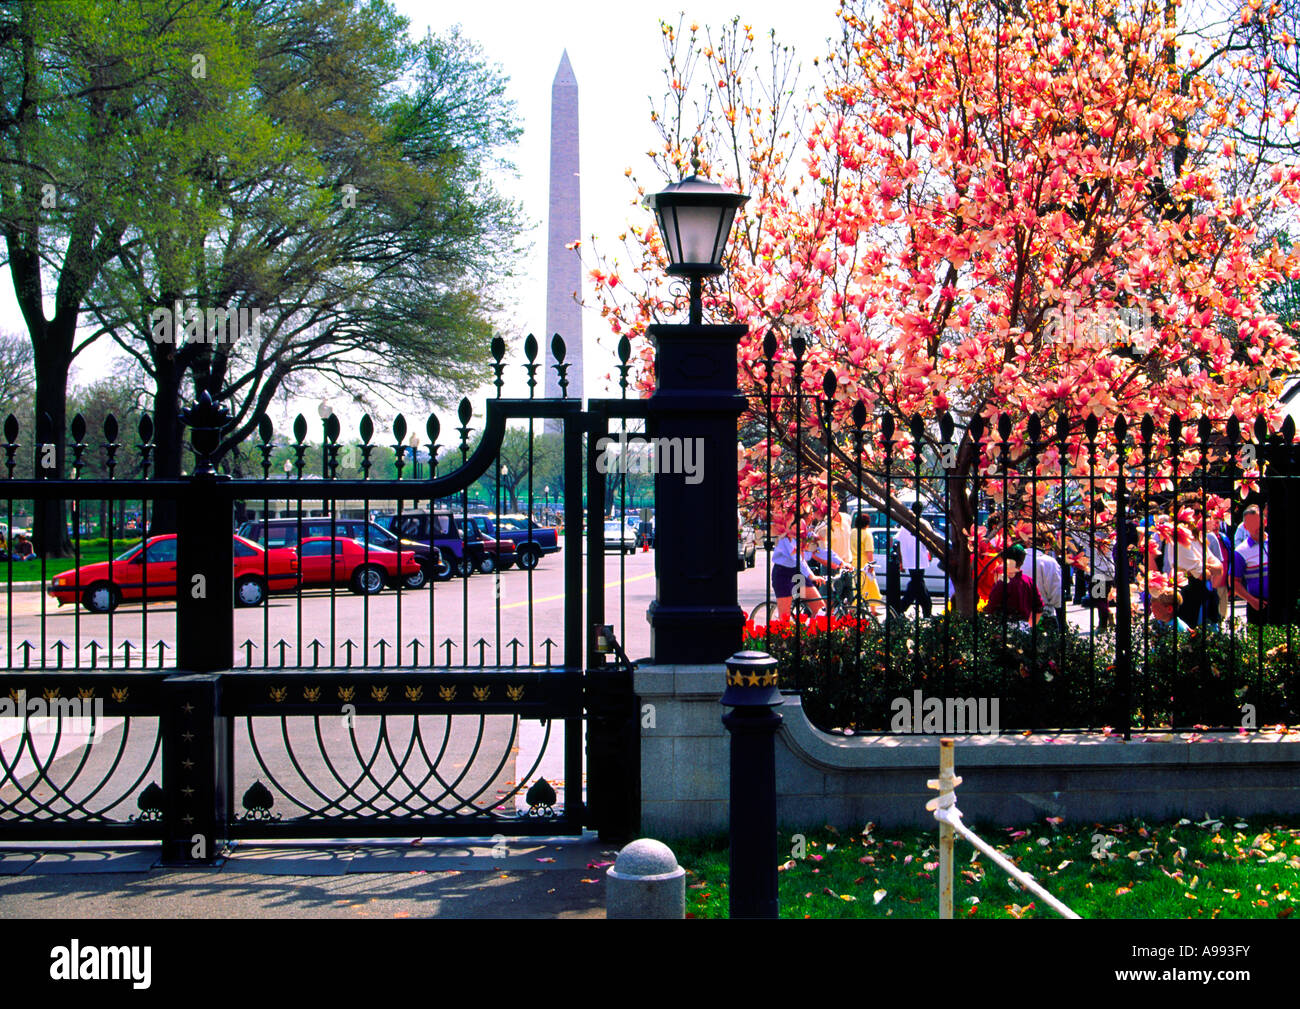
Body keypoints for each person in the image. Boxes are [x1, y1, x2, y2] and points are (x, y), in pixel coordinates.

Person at [1163, 519, 1221, 628]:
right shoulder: (1179, 541)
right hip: (1189, 595)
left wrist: (1204, 566)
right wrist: (1207, 567)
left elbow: (1219, 568)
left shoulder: (1199, 540)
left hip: (1205, 594)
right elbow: (1205, 575)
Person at [985, 544, 1044, 629]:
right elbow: (1039, 607)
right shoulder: (1029, 581)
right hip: (1025, 628)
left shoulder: (1002, 583)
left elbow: (991, 608)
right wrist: (1029, 626)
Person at [894, 502, 933, 616]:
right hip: (920, 558)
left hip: (909, 559)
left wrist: (901, 561)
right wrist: (930, 553)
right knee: (917, 584)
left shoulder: (905, 524)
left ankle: (907, 607)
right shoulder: (924, 523)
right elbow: (930, 540)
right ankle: (908, 606)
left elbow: (899, 544)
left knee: (917, 583)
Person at [1232, 504, 1269, 625]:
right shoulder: (1240, 552)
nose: (1256, 527)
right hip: (1259, 606)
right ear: (1245, 527)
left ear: (1265, 522)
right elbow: (1234, 582)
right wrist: (1252, 601)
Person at [848, 512, 885, 616]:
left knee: (857, 587)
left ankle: (852, 609)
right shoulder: (867, 534)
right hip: (864, 563)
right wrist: (871, 565)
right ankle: (873, 609)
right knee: (871, 586)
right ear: (867, 523)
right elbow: (869, 552)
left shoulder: (853, 532)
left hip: (853, 562)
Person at [1023, 547, 1064, 630]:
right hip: (1043, 614)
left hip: (1018, 615)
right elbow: (1056, 593)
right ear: (1047, 545)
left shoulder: (1012, 560)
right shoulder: (1048, 562)